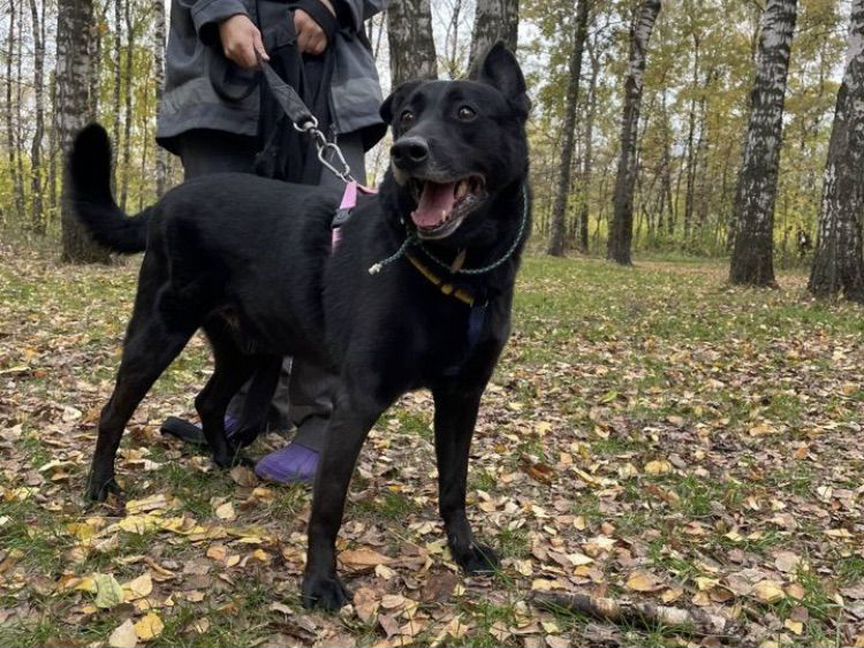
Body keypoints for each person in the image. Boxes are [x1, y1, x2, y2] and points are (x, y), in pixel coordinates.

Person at [155, 0, 387, 484]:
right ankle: (253, 405)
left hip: (330, 84)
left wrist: (334, 6)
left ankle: (325, 423)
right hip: (215, 88)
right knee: (231, 263)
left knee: (334, 260)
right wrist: (221, 12)